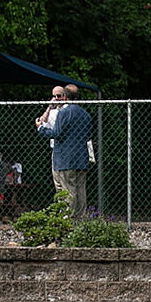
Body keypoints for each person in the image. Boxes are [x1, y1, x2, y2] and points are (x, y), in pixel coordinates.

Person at [38, 86, 91, 216]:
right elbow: (88, 135)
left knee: (67, 191)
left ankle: (69, 221)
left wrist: (41, 129)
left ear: (65, 97)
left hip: (65, 159)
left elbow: (57, 133)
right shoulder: (85, 114)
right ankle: (80, 220)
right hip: (81, 158)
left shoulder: (64, 112)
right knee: (80, 190)